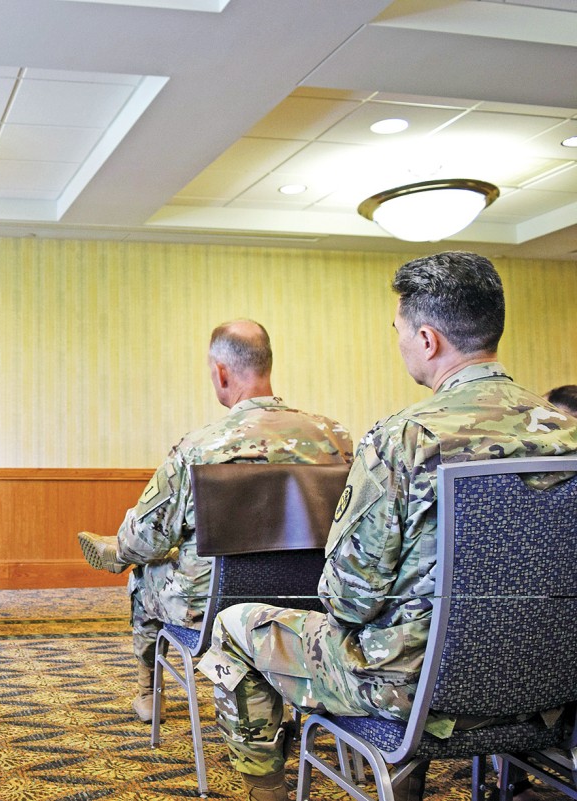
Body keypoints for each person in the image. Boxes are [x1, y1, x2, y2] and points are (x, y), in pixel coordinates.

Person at [197, 253, 577, 801]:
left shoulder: (403, 439)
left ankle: (268, 794)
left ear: (427, 339)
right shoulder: (569, 431)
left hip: (413, 689)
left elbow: (349, 599)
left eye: (397, 330)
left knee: (235, 626)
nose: (397, 342)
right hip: (554, 682)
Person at [77, 319, 353, 723]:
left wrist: (131, 549)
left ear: (220, 372)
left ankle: (148, 693)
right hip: (311, 600)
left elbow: (152, 536)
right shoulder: (336, 438)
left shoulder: (201, 446)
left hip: (214, 607)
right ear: (267, 364)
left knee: (141, 571)